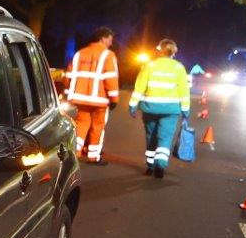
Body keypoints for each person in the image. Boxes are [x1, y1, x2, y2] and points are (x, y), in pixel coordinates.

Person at [129, 39, 190, 179]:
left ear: (159, 50)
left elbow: (139, 87)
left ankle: (150, 166)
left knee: (151, 136)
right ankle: (160, 164)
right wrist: (186, 109)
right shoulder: (178, 68)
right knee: (165, 137)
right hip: (170, 110)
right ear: (173, 52)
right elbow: (183, 91)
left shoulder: (149, 65)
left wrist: (133, 105)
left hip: (150, 108)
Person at [65, 27, 120, 165]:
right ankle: (93, 156)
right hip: (99, 100)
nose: (111, 43)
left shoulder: (80, 53)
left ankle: (74, 153)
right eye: (110, 39)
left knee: (81, 125)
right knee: (97, 127)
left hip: (80, 98)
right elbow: (111, 79)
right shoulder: (108, 55)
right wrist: (114, 99)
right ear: (103, 38)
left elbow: (69, 76)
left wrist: (67, 93)